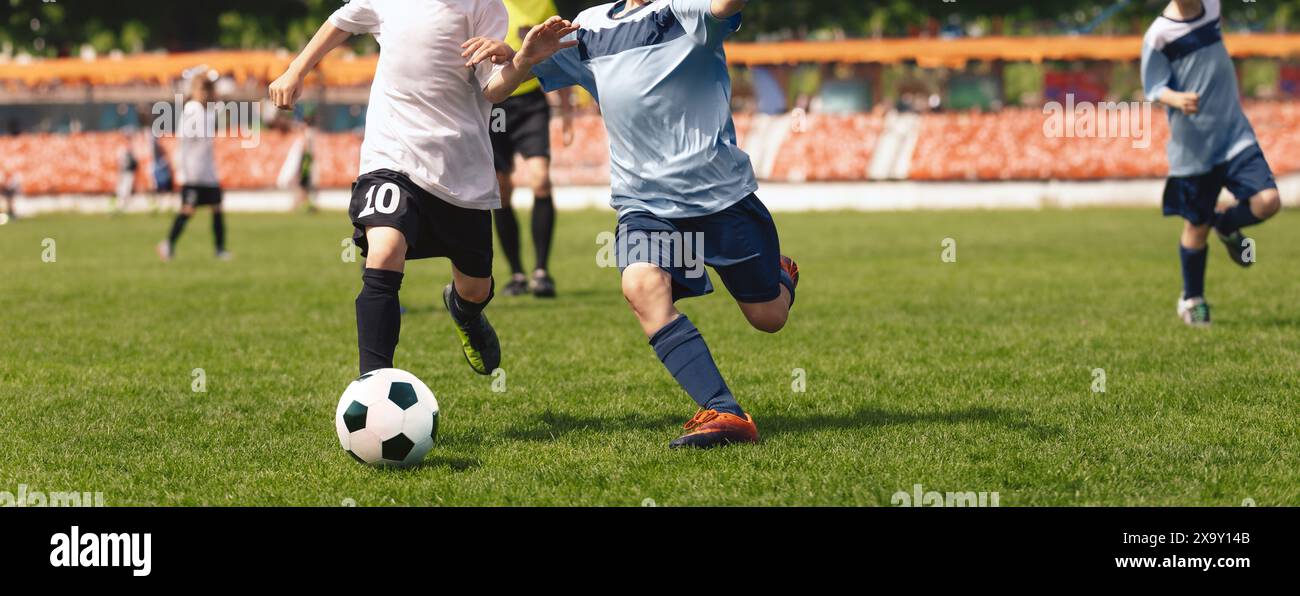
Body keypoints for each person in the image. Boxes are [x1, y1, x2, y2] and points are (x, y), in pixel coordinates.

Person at [462, 0, 799, 448]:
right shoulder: (589, 25)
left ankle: (780, 275)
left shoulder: (685, 10)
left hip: (721, 198)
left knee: (768, 316)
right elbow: (496, 93)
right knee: (641, 286)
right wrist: (521, 56)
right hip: (645, 203)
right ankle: (724, 412)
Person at [268, 0, 577, 376]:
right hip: (392, 156)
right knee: (383, 253)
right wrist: (296, 69)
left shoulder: (485, 7)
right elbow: (341, 21)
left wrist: (522, 60)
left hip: (460, 169)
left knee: (476, 288)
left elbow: (493, 90)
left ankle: (464, 311)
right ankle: (374, 383)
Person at [1142, 0, 1283, 327]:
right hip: (1194, 147)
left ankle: (1228, 224)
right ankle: (1192, 300)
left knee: (1268, 201)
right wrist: (1176, 98)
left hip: (1234, 133)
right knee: (1196, 226)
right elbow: (1153, 88)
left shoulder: (1211, 6)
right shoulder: (1159, 35)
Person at [490, 0, 574, 297]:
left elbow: (560, 54)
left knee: (540, 180)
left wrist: (565, 112)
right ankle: (516, 273)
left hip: (531, 102)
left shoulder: (543, 4)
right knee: (501, 191)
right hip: (495, 103)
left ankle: (541, 271)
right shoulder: (485, 4)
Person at [158, 73, 231, 261]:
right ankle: (168, 243)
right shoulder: (192, 110)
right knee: (187, 209)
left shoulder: (207, 111)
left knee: (217, 208)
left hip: (207, 172)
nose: (209, 94)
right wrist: (181, 169)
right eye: (205, 90)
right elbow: (183, 143)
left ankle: (220, 249)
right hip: (192, 172)